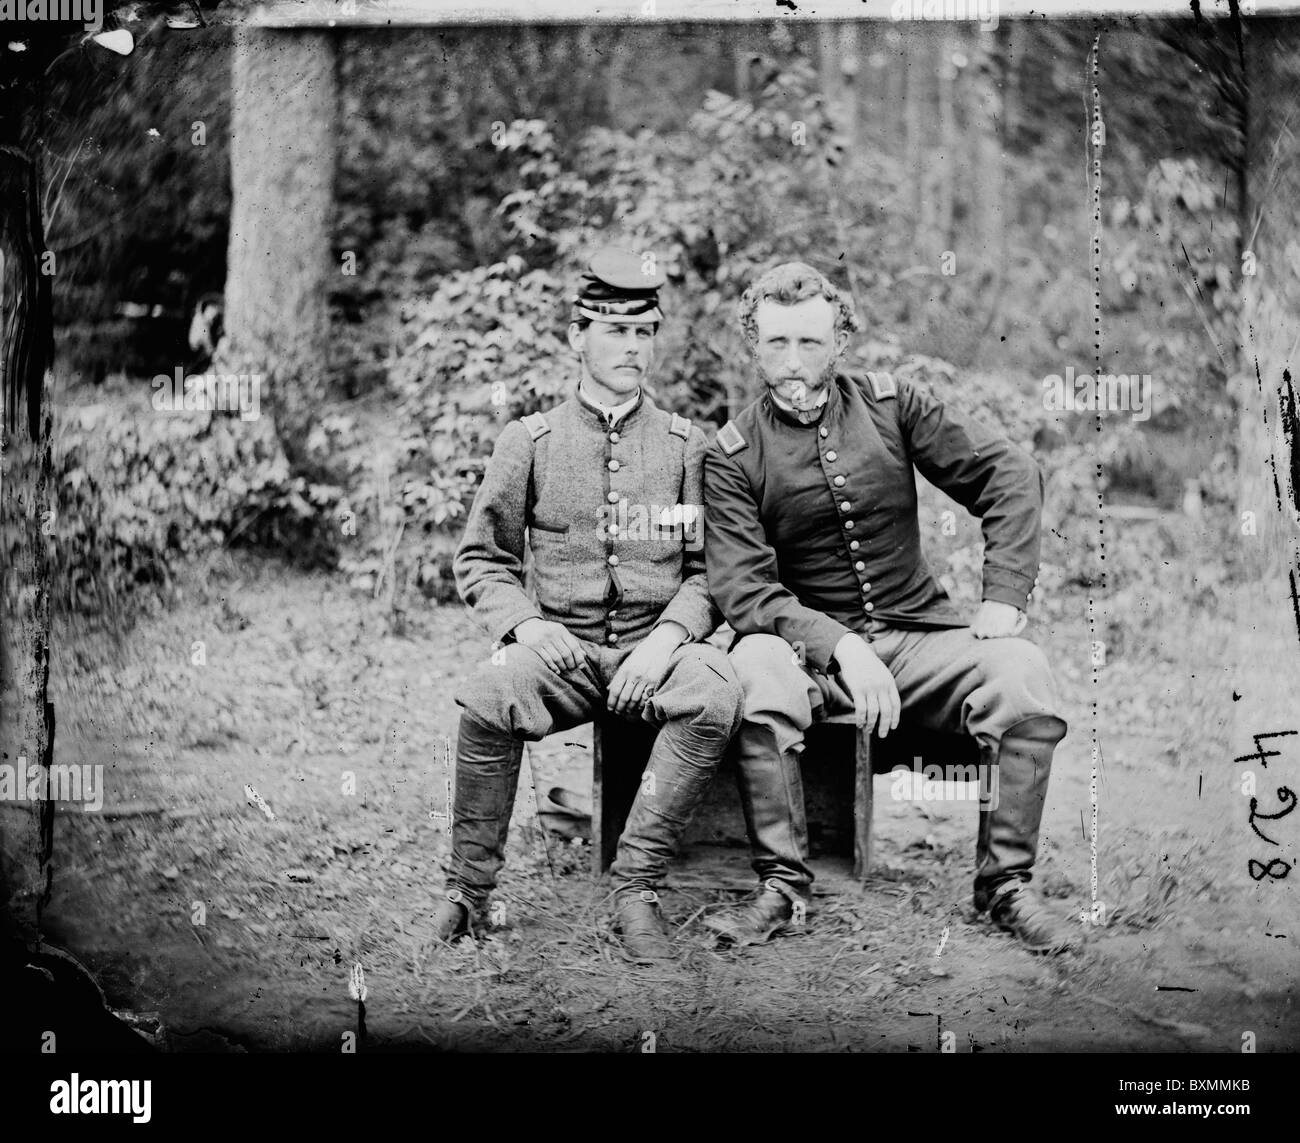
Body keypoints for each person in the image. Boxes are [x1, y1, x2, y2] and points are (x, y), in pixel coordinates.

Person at [702, 261, 1073, 953]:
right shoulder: (730, 453)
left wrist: (1004, 595)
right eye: (777, 343)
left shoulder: (891, 403)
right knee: (754, 662)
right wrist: (842, 647)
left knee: (1021, 672)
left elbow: (1010, 471)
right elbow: (744, 589)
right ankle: (782, 885)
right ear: (752, 344)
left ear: (840, 339)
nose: (793, 362)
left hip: (917, 639)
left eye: (810, 343)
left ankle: (1006, 886)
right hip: (813, 660)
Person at [431, 247, 743, 964]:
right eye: (614, 331)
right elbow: (481, 557)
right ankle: (469, 889)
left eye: (644, 332)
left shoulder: (684, 445)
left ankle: (636, 886)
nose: (633, 347)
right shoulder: (531, 441)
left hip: (655, 653)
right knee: (487, 693)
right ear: (578, 336)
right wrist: (529, 625)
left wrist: (668, 640)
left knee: (717, 688)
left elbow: (709, 571)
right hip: (562, 653)